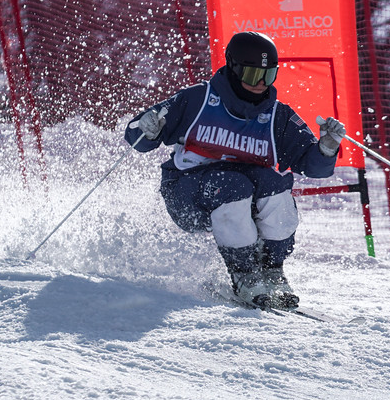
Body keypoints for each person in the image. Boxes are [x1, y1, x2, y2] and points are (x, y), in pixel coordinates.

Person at [124, 31, 346, 309]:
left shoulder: (277, 116)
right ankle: (244, 273)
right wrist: (147, 129)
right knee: (232, 184)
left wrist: (326, 149)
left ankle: (271, 269)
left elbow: (313, 166)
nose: (261, 84)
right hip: (187, 195)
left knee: (276, 183)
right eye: (253, 75)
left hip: (238, 196)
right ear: (234, 68)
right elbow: (138, 135)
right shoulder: (198, 99)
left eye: (269, 75)